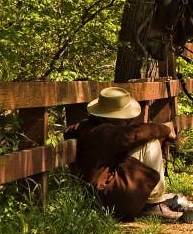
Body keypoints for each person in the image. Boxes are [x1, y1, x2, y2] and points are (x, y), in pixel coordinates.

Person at [65, 87, 183, 221]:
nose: (129, 121)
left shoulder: (91, 127)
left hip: (99, 194)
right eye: (125, 118)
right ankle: (154, 205)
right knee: (150, 143)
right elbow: (132, 135)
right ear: (112, 117)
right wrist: (165, 129)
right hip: (107, 197)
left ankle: (153, 202)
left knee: (145, 140)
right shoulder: (104, 133)